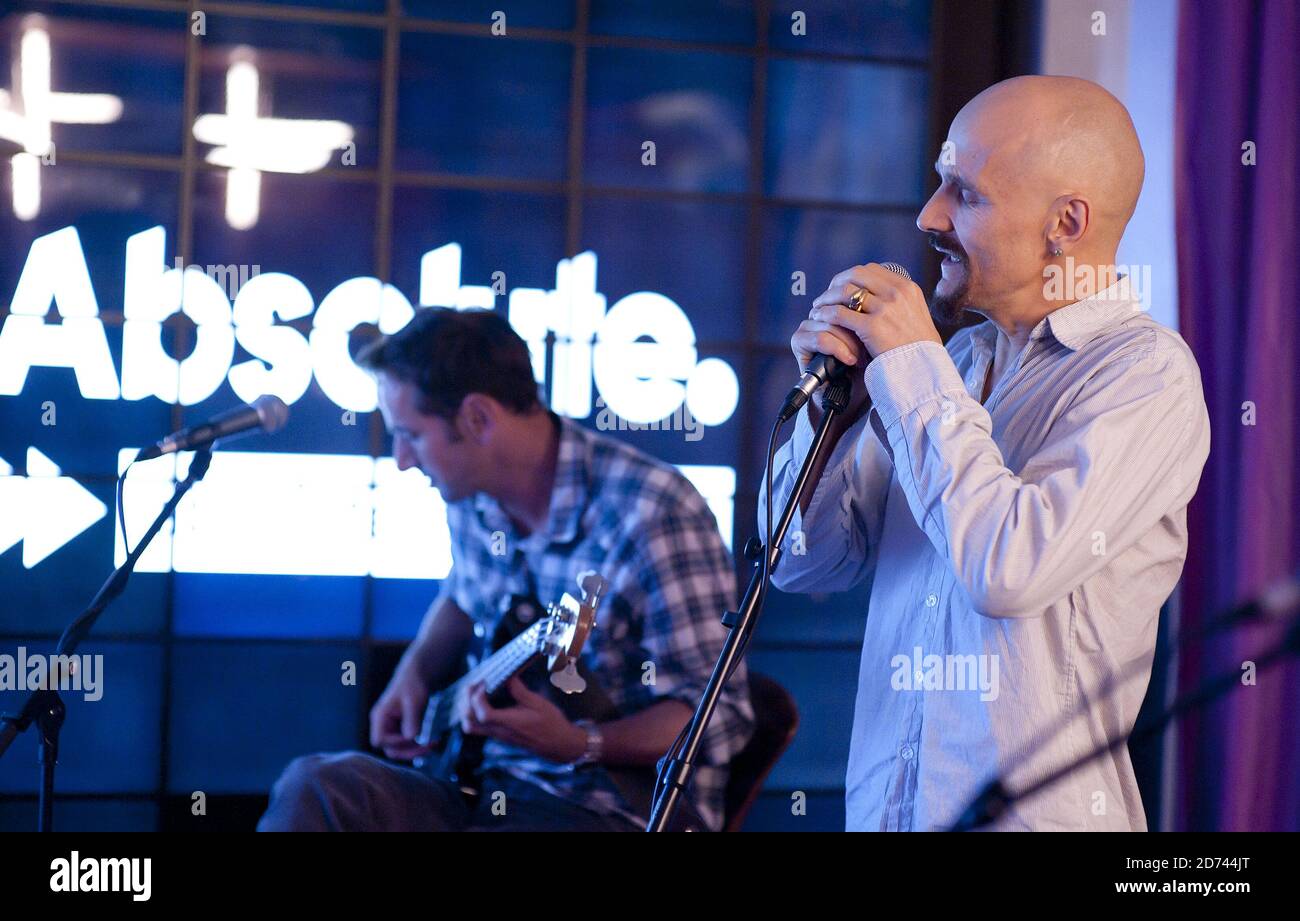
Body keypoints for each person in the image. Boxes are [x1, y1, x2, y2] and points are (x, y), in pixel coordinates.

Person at [760, 75, 1210, 831]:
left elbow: (1006, 569)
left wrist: (909, 369)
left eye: (963, 194)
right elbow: (801, 562)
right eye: (939, 184)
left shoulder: (1148, 374)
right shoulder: (953, 366)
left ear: (1065, 222)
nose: (927, 215)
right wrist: (830, 424)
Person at [260, 307, 752, 831]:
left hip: (607, 810)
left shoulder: (655, 511)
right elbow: (463, 595)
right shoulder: (471, 494)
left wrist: (582, 744)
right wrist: (415, 673)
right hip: (477, 786)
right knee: (316, 786)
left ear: (477, 418)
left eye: (412, 436)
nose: (402, 459)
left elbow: (718, 716)